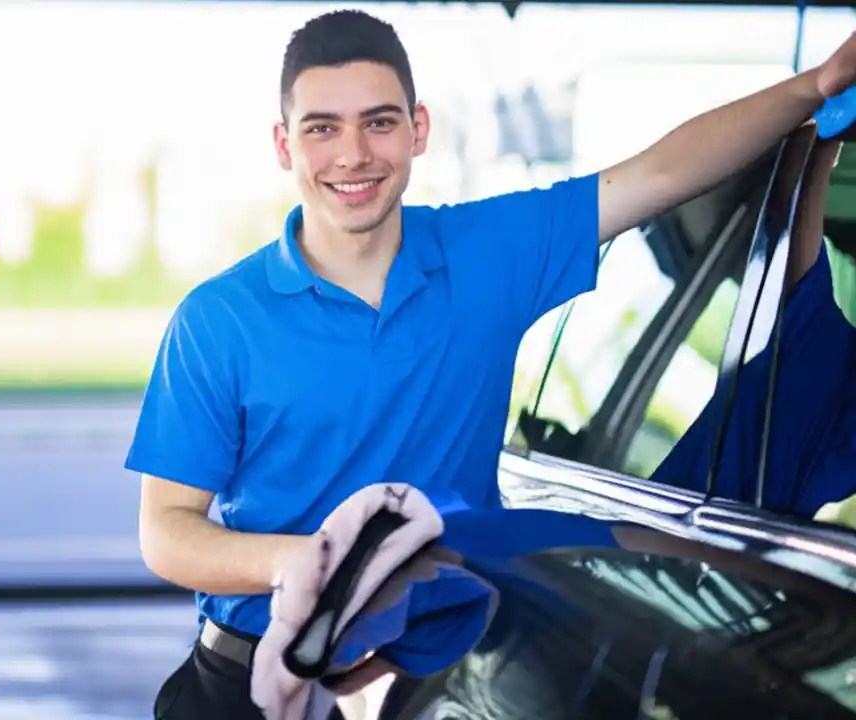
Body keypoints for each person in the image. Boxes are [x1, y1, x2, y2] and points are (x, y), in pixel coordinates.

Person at [123, 9, 856, 718]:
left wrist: (815, 85)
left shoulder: (488, 253)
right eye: (323, 128)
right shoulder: (219, 319)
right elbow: (168, 531)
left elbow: (660, 175)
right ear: (285, 144)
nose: (352, 155)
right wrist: (313, 564)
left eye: (379, 122)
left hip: (434, 680)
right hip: (252, 678)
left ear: (418, 130)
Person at [650, 137, 856, 517]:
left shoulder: (819, 343)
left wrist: (824, 136)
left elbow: (794, 197)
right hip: (658, 547)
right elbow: (792, 202)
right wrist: (824, 132)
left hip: (690, 552)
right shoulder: (821, 345)